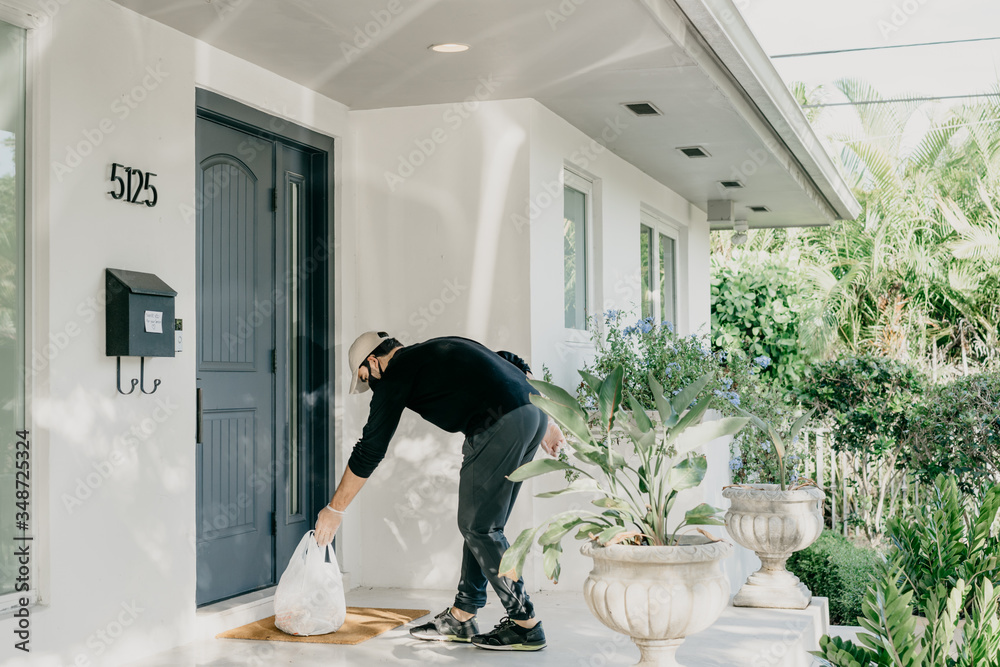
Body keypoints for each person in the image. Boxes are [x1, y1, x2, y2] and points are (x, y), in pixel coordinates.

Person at [313, 331, 566, 652]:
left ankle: (525, 624)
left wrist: (335, 509)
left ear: (374, 361)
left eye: (366, 378)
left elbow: (370, 449)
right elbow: (510, 361)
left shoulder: (395, 373)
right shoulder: (437, 348)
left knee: (479, 527)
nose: (372, 386)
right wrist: (546, 420)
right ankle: (462, 615)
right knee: (482, 525)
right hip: (530, 413)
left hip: (499, 424)